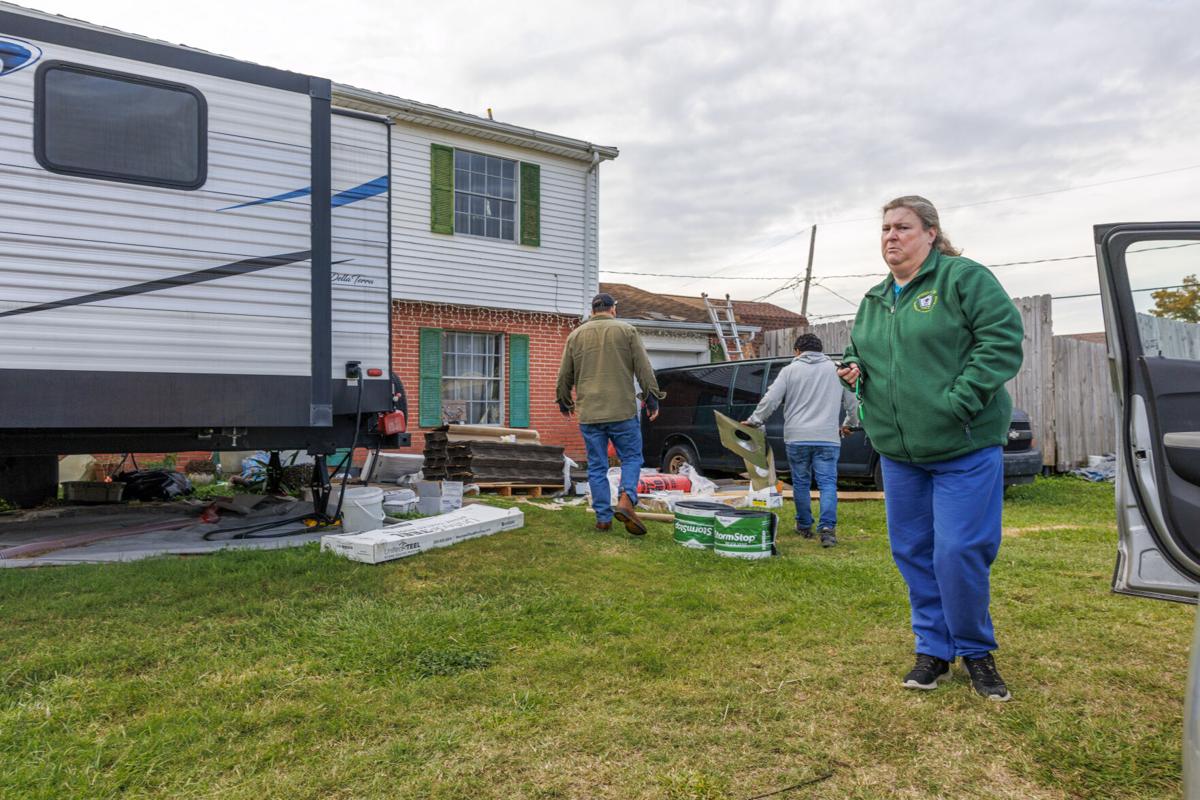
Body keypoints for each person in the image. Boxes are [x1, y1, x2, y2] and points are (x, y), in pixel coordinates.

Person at [838, 196, 1023, 701]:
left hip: (963, 446)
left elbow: (1002, 341)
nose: (891, 236)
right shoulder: (875, 298)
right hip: (900, 455)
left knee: (958, 551)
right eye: (885, 229)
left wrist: (959, 401)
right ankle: (934, 650)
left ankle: (976, 650)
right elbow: (862, 350)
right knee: (913, 552)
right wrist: (855, 366)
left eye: (902, 227)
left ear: (931, 233)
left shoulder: (963, 279)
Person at [556, 293, 665, 535]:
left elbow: (564, 375)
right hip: (622, 410)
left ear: (592, 311)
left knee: (597, 466)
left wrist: (564, 402)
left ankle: (603, 519)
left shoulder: (575, 336)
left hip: (590, 413)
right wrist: (652, 398)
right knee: (632, 458)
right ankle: (626, 499)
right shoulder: (627, 331)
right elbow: (644, 368)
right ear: (613, 309)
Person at [744, 333, 855, 548]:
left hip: (797, 438)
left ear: (797, 351)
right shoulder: (836, 370)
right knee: (827, 484)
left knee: (801, 482)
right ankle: (827, 529)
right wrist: (850, 423)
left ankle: (804, 525)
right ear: (820, 350)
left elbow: (771, 399)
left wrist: (754, 421)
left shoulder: (789, 371)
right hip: (827, 437)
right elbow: (852, 400)